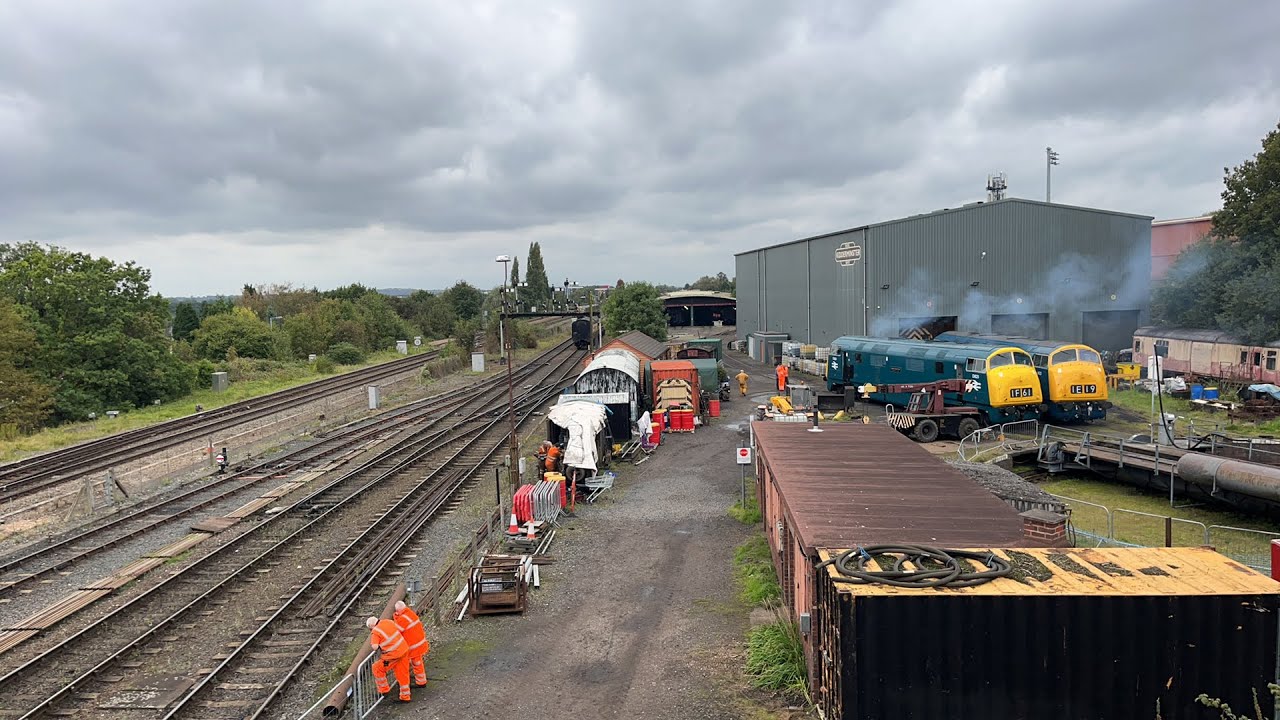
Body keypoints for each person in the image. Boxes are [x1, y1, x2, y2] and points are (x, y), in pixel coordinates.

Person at [366, 616, 412, 702]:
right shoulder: (388, 621)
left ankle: (384, 690)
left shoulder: (375, 632)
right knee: (403, 674)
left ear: (371, 626)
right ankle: (405, 697)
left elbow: (375, 647)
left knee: (377, 668)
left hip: (392, 656)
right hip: (404, 650)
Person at [393, 601, 429, 687]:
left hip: (412, 647)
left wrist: (395, 617)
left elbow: (397, 630)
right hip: (419, 643)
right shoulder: (411, 614)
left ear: (398, 611)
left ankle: (407, 682)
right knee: (418, 663)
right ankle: (421, 681)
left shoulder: (401, 619)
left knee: (406, 664)